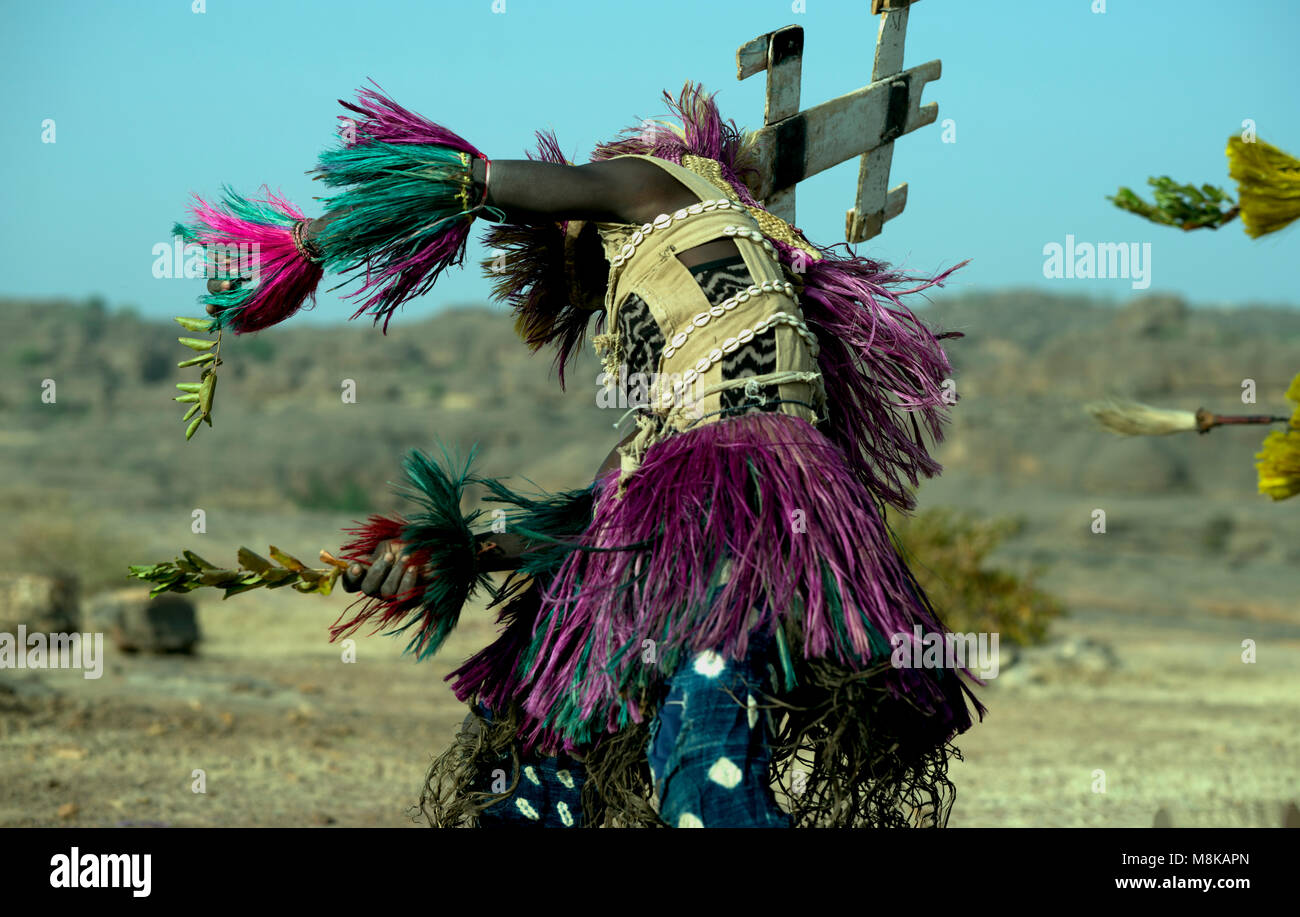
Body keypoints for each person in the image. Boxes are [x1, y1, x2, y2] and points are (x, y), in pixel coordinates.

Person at [207, 83, 984, 827]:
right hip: (718, 507)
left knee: (700, 762)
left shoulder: (655, 185)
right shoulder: (672, 410)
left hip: (752, 515)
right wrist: (451, 555)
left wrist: (316, 239)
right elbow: (593, 531)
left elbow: (489, 184)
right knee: (536, 724)